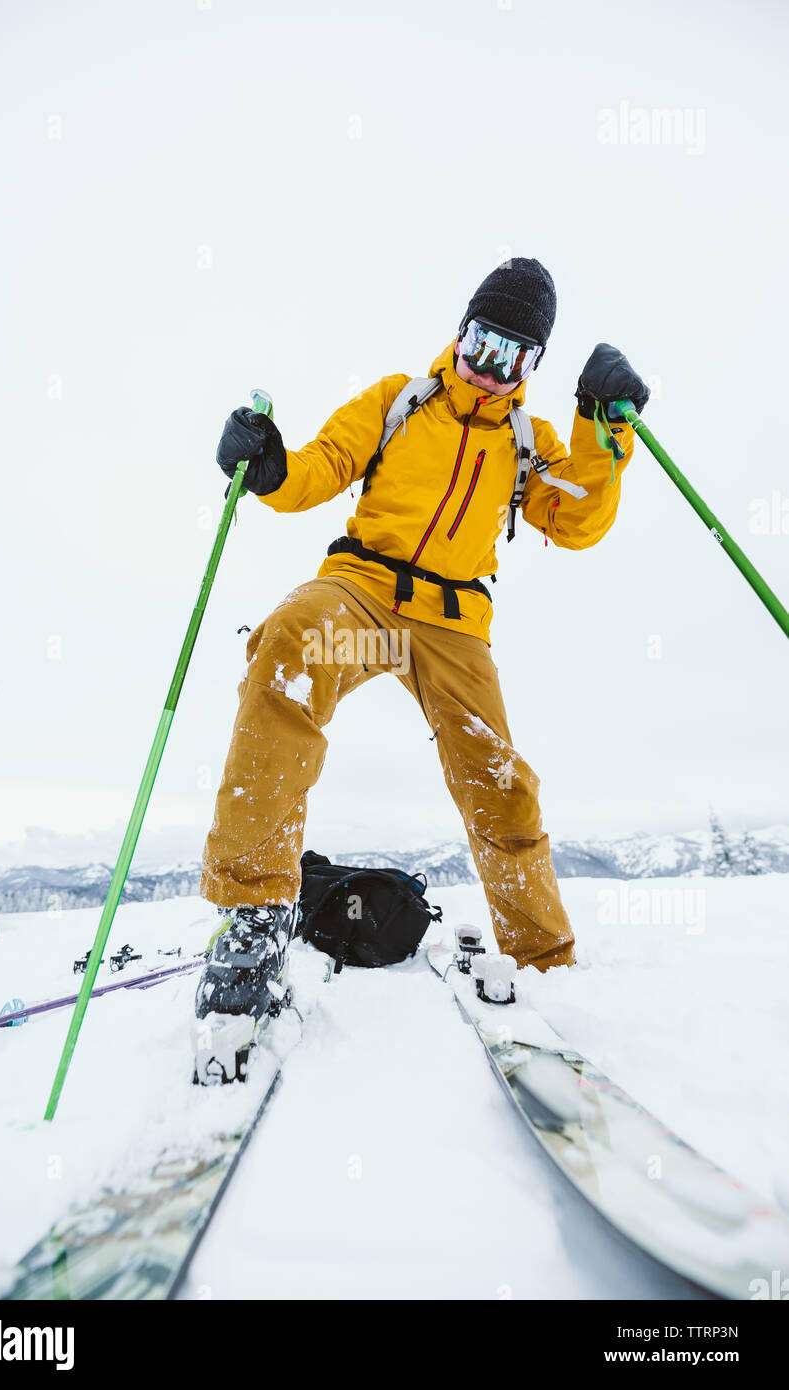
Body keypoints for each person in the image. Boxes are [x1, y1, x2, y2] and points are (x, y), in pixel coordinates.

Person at [191, 258, 649, 1083]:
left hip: (453, 623)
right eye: (482, 341)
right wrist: (267, 466)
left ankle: (541, 957)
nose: (491, 366)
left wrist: (600, 426)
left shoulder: (527, 442)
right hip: (362, 591)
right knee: (288, 647)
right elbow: (320, 469)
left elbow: (578, 519)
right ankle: (257, 914)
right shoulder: (400, 401)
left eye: (515, 357)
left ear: (533, 367)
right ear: (460, 329)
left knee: (498, 776)